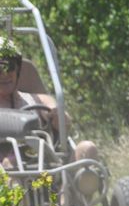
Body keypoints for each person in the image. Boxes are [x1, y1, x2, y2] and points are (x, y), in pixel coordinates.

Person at [0, 36, 100, 186]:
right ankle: (18, 198)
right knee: (9, 163)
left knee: (88, 148)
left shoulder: (37, 99)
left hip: (48, 165)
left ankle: (74, 196)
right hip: (7, 173)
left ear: (18, 69)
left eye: (9, 67)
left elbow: (60, 116)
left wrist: (58, 116)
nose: (4, 74)